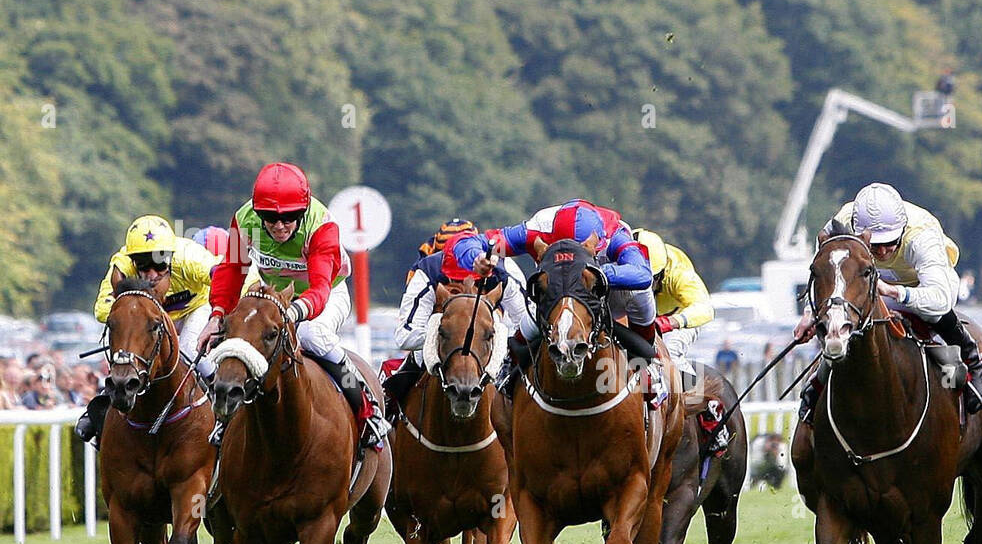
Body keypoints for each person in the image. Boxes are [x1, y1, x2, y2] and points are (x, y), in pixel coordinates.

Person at [196, 162, 391, 450]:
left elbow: (320, 287)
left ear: (303, 210)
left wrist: (293, 313)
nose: (279, 226)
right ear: (257, 212)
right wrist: (217, 316)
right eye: (270, 218)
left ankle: (365, 407)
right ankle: (226, 420)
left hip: (324, 295)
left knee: (312, 336)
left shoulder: (321, 225)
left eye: (289, 217)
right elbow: (232, 269)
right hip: (273, 297)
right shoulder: (244, 220)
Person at [795, 182, 982, 421]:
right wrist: (810, 313)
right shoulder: (842, 224)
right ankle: (819, 381)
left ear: (902, 230)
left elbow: (940, 300)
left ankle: (972, 361)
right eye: (875, 245)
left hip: (923, 283)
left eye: (890, 242)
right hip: (868, 280)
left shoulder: (921, 235)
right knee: (844, 322)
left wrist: (896, 292)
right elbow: (827, 275)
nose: (883, 252)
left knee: (932, 313)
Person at [451, 199, 665, 406]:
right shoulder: (535, 231)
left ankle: (649, 363)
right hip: (559, 290)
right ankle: (511, 368)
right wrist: (476, 257)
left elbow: (641, 274)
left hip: (606, 284)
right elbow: (467, 242)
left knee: (640, 296)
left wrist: (593, 274)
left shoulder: (614, 235)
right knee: (531, 323)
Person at [76, 216, 230, 444]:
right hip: (149, 316)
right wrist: (133, 313)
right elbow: (102, 309)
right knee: (130, 348)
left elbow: (227, 276)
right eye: (143, 264)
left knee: (188, 347)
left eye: (159, 263)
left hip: (195, 310)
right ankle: (106, 400)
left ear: (171, 256)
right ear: (132, 261)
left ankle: (222, 404)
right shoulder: (121, 264)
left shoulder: (189, 257)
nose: (151, 273)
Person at [385, 218, 527, 416]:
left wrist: (494, 335)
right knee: (404, 369)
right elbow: (405, 336)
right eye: (456, 280)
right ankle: (383, 417)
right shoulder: (427, 270)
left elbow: (528, 323)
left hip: (490, 336)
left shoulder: (503, 268)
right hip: (441, 337)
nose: (467, 281)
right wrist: (446, 334)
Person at [633, 227, 729, 453]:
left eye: (651, 281)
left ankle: (708, 409)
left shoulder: (679, 273)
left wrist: (672, 323)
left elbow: (705, 308)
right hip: (639, 317)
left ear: (662, 273)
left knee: (671, 352)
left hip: (676, 319)